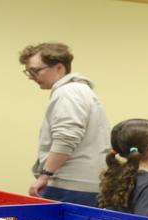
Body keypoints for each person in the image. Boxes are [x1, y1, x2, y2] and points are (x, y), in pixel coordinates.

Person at [19, 42, 112, 206]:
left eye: (36, 70)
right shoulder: (81, 91)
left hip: (70, 185)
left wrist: (44, 175)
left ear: (59, 68)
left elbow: (66, 138)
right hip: (84, 184)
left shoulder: (67, 93)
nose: (31, 77)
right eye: (28, 71)